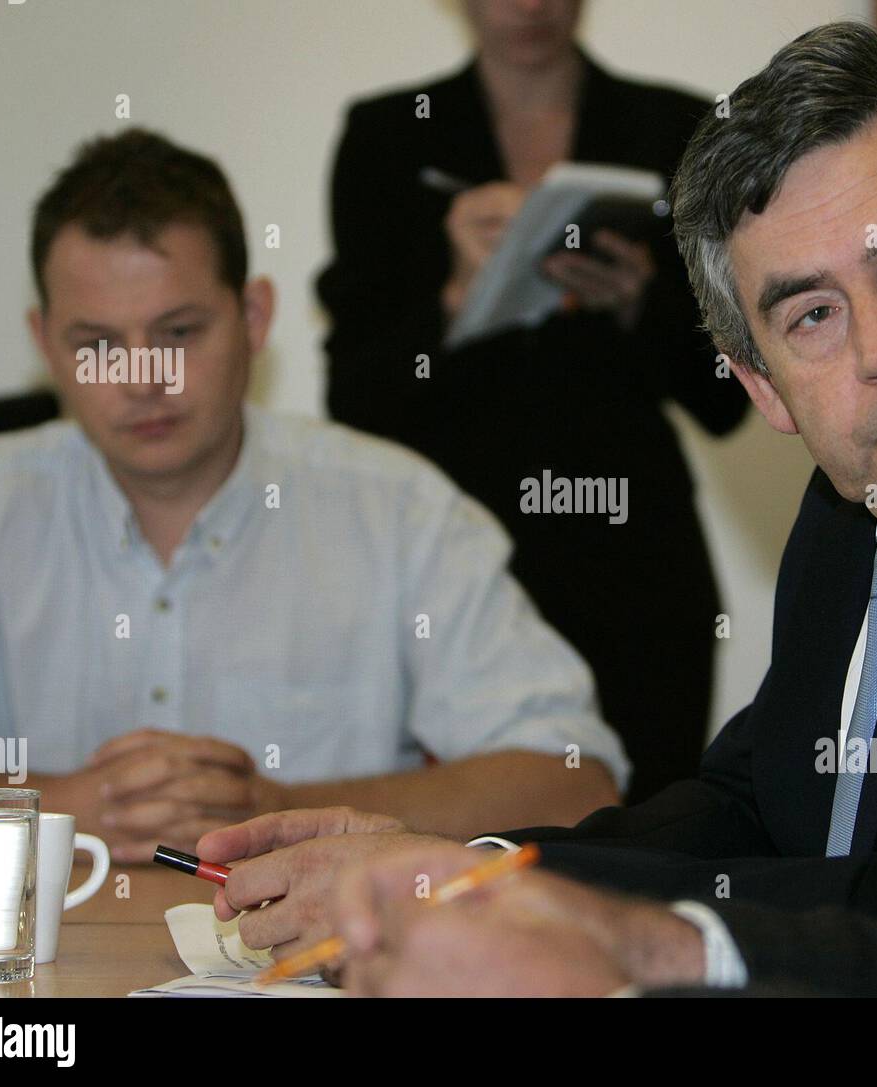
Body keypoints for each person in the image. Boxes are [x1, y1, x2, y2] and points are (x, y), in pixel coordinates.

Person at [196, 21, 877, 967]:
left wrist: (568, 914)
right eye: (813, 315)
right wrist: (472, 861)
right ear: (763, 387)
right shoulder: (849, 508)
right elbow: (752, 799)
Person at [0, 128, 628, 864]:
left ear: (254, 317)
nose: (141, 377)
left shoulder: (400, 512)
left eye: (179, 331)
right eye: (96, 342)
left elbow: (573, 781)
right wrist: (73, 807)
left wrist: (284, 812)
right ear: (45, 345)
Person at [316, 0, 748, 802]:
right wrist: (453, 294)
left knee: (649, 845)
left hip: (637, 568)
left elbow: (730, 399)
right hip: (454, 567)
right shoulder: (389, 137)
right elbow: (355, 400)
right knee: (451, 856)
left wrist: (639, 303)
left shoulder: (673, 127)